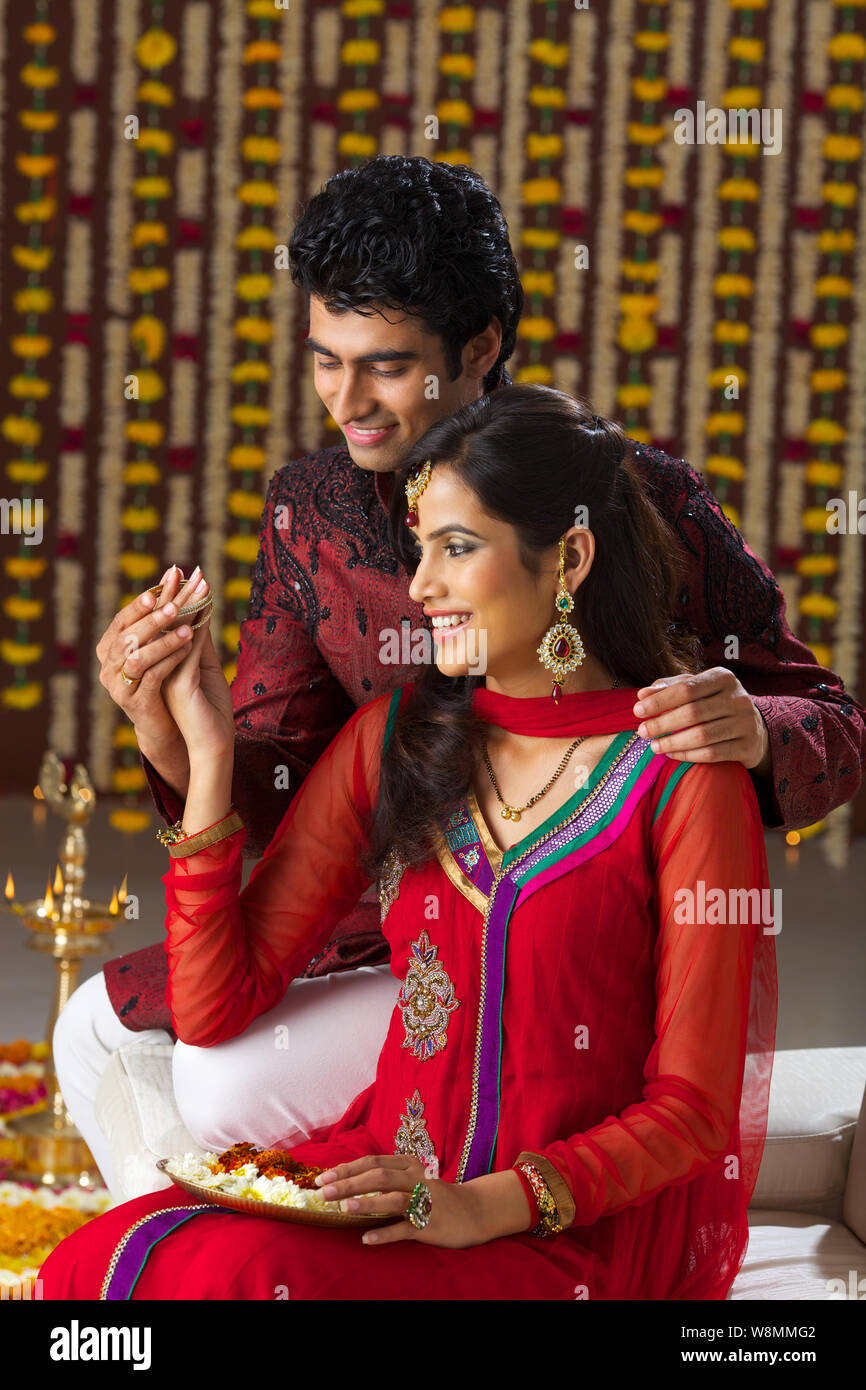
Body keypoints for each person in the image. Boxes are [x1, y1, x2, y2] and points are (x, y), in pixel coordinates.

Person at [54, 155, 861, 1199]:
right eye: (323, 360)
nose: (347, 401)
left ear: (478, 347)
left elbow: (834, 724)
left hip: (580, 939)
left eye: (383, 365)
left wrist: (749, 727)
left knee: (213, 1092)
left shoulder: (621, 498)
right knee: (95, 1030)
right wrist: (178, 734)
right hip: (384, 921)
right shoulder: (311, 511)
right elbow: (289, 793)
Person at [40, 384, 777, 1300]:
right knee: (92, 1261)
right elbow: (214, 1006)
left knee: (235, 1281)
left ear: (570, 556)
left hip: (563, 1233)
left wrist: (479, 1206)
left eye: (457, 548)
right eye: (421, 546)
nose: (421, 585)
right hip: (387, 1180)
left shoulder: (681, 777)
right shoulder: (399, 739)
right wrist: (208, 754)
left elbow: (695, 1112)